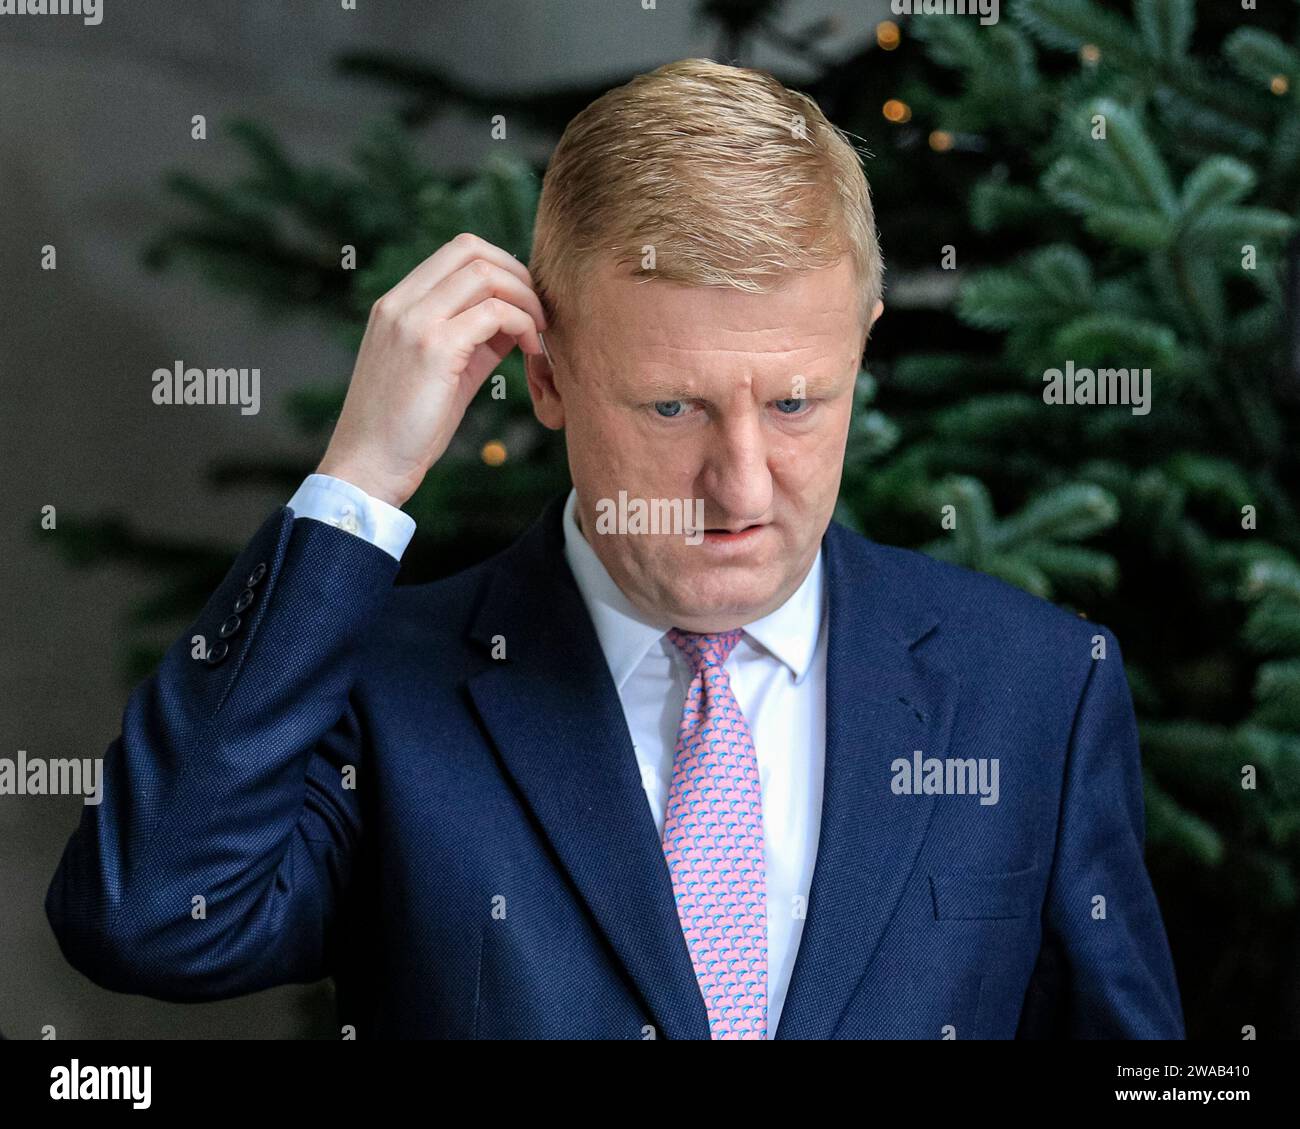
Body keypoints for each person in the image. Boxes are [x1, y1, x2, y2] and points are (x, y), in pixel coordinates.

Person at [45, 58, 1183, 1039]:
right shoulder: (389, 695)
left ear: (861, 347)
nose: (740, 487)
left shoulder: (1038, 689)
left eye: (795, 403)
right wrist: (359, 479)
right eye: (671, 410)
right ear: (544, 374)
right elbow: (146, 916)